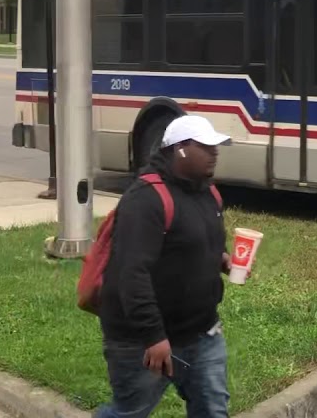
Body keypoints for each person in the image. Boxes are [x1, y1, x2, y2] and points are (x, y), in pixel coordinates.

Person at [94, 114, 233, 418]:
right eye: (206, 146)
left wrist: (221, 257)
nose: (215, 152)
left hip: (201, 332)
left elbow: (204, 236)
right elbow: (132, 274)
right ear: (180, 149)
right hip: (142, 341)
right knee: (130, 412)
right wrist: (154, 337)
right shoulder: (145, 199)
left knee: (213, 409)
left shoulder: (209, 193)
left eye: (216, 146)